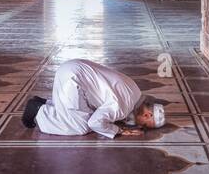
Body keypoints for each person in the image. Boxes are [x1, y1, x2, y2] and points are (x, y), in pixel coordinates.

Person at [22, 58, 166, 138]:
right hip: (72, 80)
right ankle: (38, 110)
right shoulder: (122, 108)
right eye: (145, 124)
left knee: (81, 112)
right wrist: (119, 130)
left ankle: (45, 103)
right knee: (80, 126)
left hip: (74, 68)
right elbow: (95, 123)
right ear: (148, 114)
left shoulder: (135, 91)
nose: (140, 126)